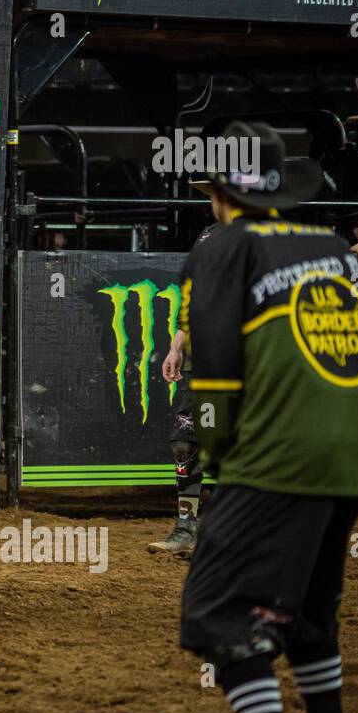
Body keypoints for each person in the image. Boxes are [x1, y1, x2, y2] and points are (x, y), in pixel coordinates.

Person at [179, 121, 358, 713]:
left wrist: (215, 459)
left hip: (275, 457)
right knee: (310, 617)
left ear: (220, 194)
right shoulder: (333, 250)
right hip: (352, 457)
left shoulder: (222, 248)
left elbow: (212, 379)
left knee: (216, 616)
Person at [151, 179, 220, 558]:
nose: (214, 201)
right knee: (185, 441)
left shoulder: (264, 236)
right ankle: (186, 527)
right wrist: (177, 346)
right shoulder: (208, 236)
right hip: (200, 358)